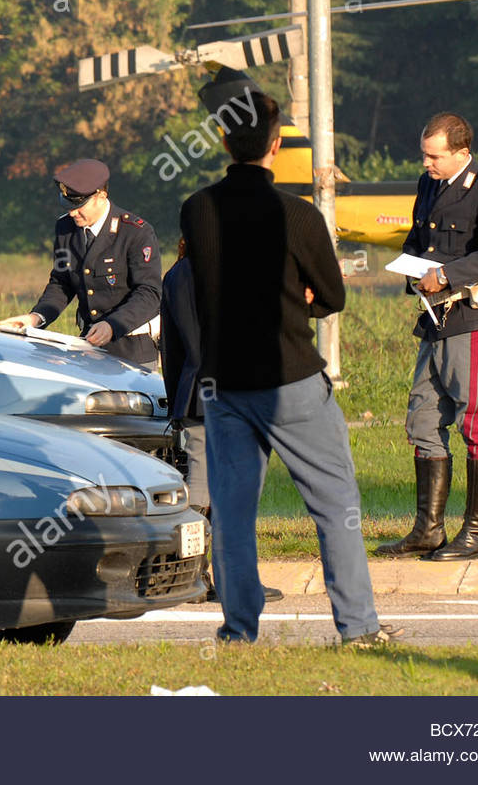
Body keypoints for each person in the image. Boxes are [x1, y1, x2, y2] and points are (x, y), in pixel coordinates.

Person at [180, 88, 397, 646]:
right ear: (276, 145)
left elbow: (208, 287)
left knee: (233, 515)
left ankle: (238, 631)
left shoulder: (197, 210)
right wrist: (300, 297)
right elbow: (333, 295)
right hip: (290, 378)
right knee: (335, 505)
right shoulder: (298, 215)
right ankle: (358, 628)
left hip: (223, 384)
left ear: (224, 142)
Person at [376, 113, 478, 561]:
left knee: (474, 422)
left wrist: (446, 276)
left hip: (474, 319)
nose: (426, 163)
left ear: (462, 152)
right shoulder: (429, 184)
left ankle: (476, 534)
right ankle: (428, 530)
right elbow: (419, 239)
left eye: (434, 156)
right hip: (436, 318)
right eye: (424, 154)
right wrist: (412, 270)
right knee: (422, 421)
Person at [160, 237, 282, 604]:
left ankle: (192, 576)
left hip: (196, 393)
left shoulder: (177, 274)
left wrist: (179, 400)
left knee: (202, 486)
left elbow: (171, 348)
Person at [0, 158, 160, 365]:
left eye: (79, 205)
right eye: (68, 205)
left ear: (101, 196)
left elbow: (149, 293)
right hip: (87, 350)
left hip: (132, 351)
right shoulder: (65, 228)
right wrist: (36, 318)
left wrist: (112, 325)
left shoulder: (135, 232)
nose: (72, 212)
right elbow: (61, 283)